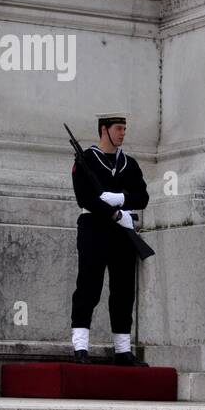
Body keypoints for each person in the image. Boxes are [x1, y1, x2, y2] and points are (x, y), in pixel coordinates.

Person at [69, 113, 150, 366]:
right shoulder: (85, 161)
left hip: (122, 233)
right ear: (104, 130)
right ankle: (81, 346)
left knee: (123, 290)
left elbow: (142, 197)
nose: (123, 133)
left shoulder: (130, 164)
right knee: (89, 286)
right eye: (118, 128)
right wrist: (114, 213)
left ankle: (123, 351)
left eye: (125, 128)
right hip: (94, 228)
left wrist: (120, 200)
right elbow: (85, 198)